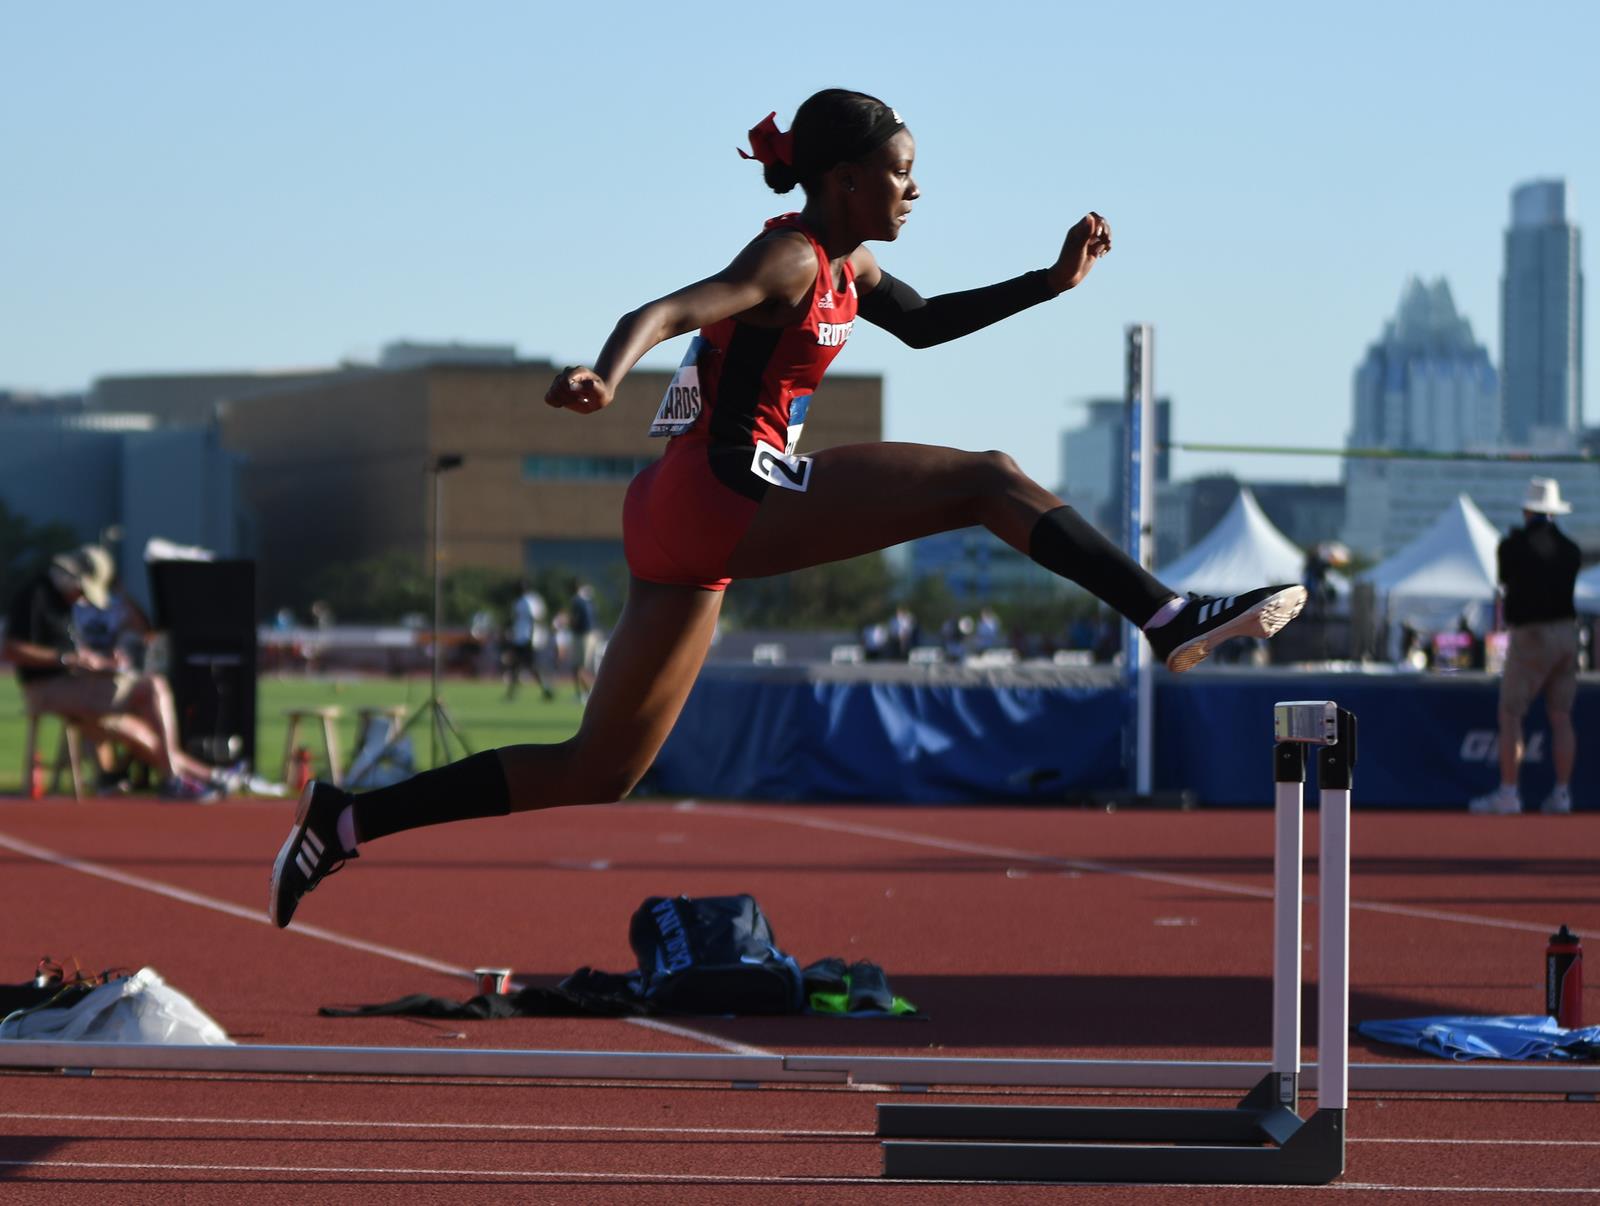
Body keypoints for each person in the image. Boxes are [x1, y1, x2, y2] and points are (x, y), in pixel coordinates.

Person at [270, 89, 1307, 926]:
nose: (916, 190)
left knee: (599, 767)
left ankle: (344, 822)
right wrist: (604, 374)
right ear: (844, 180)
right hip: (719, 492)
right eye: (901, 173)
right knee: (987, 477)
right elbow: (664, 309)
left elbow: (927, 324)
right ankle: (1166, 613)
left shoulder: (853, 266)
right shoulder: (793, 258)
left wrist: (1049, 281)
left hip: (682, 525)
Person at [4, 545, 232, 800]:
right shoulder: (35, 594)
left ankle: (200, 776)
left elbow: (86, 644)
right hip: (47, 688)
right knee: (153, 687)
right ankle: (184, 778)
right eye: (81, 590)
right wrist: (67, 659)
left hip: (75, 684)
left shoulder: (64, 601)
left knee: (135, 725)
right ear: (72, 578)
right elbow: (11, 649)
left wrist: (100, 661)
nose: (81, 598)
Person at [1471, 477, 1582, 816]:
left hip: (1531, 633)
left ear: (1527, 510)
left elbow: (1506, 580)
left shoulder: (1513, 546)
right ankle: (1562, 794)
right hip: (1567, 633)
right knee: (1561, 716)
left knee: (1511, 714)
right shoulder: (1571, 549)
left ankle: (1509, 793)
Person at [503, 579, 553, 701]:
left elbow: (534, 619)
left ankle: (546, 689)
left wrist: (532, 637)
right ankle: (512, 693)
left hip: (527, 639)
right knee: (518, 666)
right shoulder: (519, 601)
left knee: (529, 666)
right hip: (520, 638)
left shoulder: (529, 601)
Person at [565, 580, 601, 700]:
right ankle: (584, 693)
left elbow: (575, 620)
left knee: (578, 667)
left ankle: (589, 694)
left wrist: (566, 623)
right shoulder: (587, 599)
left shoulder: (576, 600)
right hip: (590, 634)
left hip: (583, 635)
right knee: (578, 667)